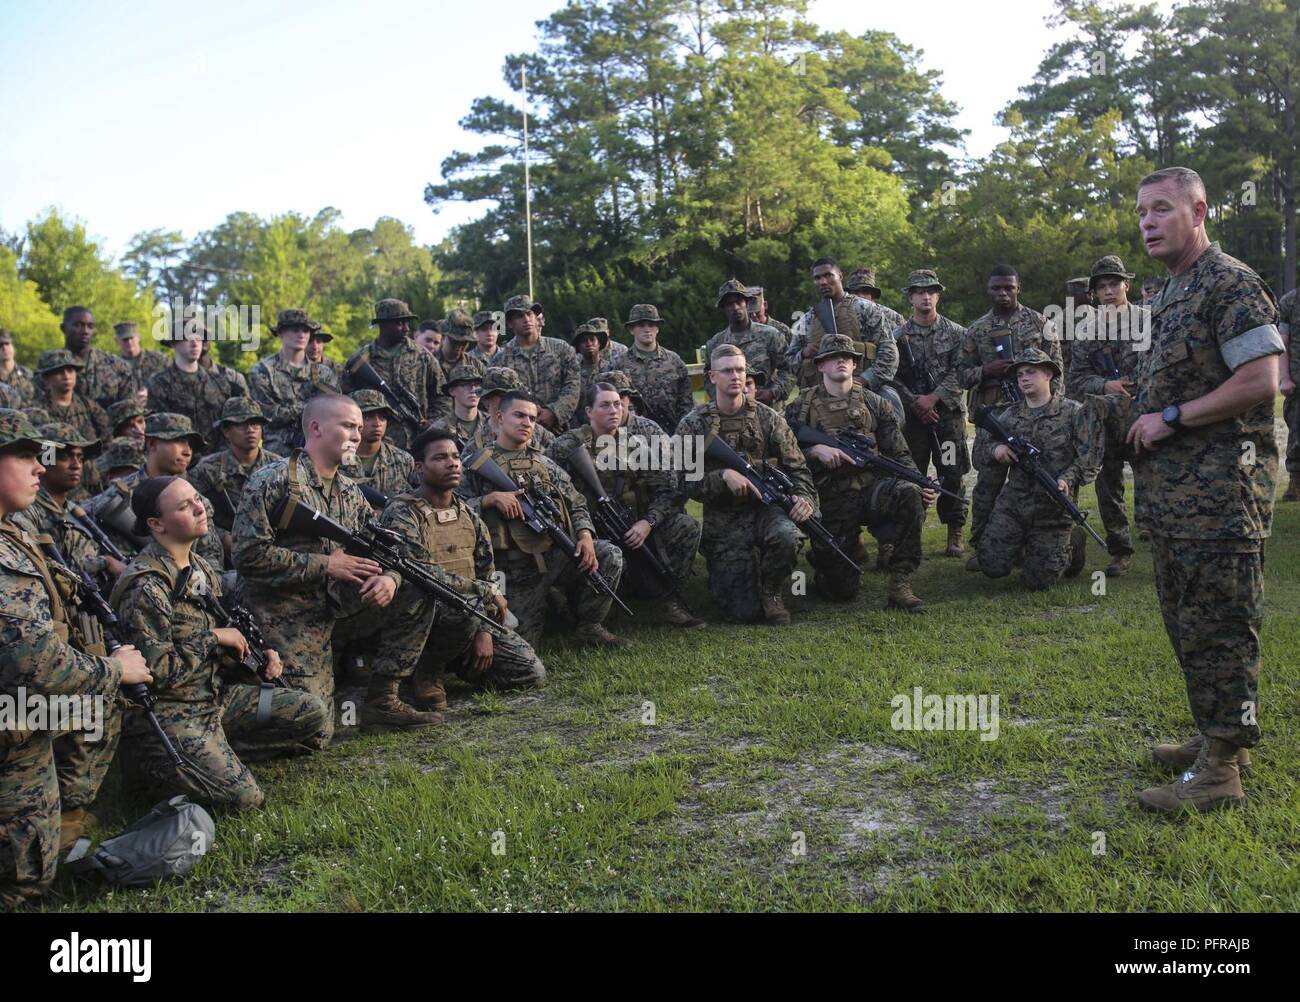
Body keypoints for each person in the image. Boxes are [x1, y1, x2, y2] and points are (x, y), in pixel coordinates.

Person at [1126, 166, 1284, 813]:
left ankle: (1221, 775)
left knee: (1220, 624)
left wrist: (1170, 418)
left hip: (1223, 494)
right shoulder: (1172, 292)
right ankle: (1217, 738)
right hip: (1178, 499)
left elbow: (1262, 379)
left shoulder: (1230, 283)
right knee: (1188, 622)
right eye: (1141, 213)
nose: (1148, 223)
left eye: (1162, 209)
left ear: (1199, 210)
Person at [0, 409, 151, 910]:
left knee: (100, 706)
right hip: (15, 717)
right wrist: (113, 670)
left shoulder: (13, 529)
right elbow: (34, 667)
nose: (40, 466)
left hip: (21, 711)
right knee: (25, 885)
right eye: (24, 455)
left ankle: (63, 818)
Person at [110, 476, 327, 809]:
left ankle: (213, 755)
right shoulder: (146, 586)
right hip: (171, 713)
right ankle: (159, 767)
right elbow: (155, 672)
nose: (200, 508)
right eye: (185, 506)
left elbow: (225, 645)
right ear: (156, 524)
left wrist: (256, 657)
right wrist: (213, 638)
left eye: (197, 498)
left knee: (312, 717)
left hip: (215, 699)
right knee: (245, 799)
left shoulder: (200, 569)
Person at [232, 394, 440, 739]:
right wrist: (326, 564)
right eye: (348, 426)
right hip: (285, 617)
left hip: (337, 607)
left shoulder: (349, 491)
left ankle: (381, 698)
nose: (358, 435)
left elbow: (378, 552)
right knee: (315, 730)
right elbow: (247, 556)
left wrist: (389, 577)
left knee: (418, 587)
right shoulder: (273, 481)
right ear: (315, 428)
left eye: (359, 427)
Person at [382, 426, 546, 710]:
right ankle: (425, 669)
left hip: (468, 612)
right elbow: (422, 574)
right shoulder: (402, 513)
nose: (453, 463)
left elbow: (486, 572)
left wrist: (484, 629)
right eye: (440, 458)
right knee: (462, 607)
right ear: (419, 468)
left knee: (529, 672)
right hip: (420, 617)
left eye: (456, 457)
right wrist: (483, 596)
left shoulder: (468, 514)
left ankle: (458, 661)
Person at [456, 389, 628, 649]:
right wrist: (488, 500)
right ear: (500, 417)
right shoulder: (476, 464)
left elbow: (577, 503)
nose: (527, 423)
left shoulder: (544, 464)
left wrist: (584, 536)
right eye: (519, 415)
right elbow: (452, 509)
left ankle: (589, 627)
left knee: (609, 555)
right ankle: (550, 606)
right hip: (512, 571)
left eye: (533, 418)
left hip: (553, 555)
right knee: (520, 646)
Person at [675, 344, 817, 624]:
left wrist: (803, 497)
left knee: (788, 536)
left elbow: (797, 466)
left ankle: (772, 591)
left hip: (766, 510)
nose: (736, 376)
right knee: (743, 613)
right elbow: (681, 481)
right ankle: (739, 572)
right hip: (725, 518)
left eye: (740, 369)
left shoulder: (767, 417)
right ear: (712, 377)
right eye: (727, 370)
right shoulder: (693, 425)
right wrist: (721, 478)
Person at [789, 335, 932, 610]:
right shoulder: (800, 408)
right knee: (839, 591)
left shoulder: (875, 403)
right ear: (820, 366)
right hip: (827, 497)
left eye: (847, 357)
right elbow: (783, 458)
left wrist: (921, 482)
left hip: (871, 490)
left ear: (855, 365)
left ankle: (900, 581)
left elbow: (899, 454)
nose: (841, 360)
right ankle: (831, 554)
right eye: (833, 356)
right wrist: (815, 451)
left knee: (911, 494)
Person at [549, 383, 704, 628]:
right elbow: (549, 492)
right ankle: (576, 606)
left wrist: (648, 522)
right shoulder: (566, 446)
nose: (614, 410)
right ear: (589, 411)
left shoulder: (634, 445)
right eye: (605, 405)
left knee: (686, 526)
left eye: (617, 404)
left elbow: (668, 489)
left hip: (631, 527)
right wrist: (582, 529)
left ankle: (668, 600)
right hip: (587, 532)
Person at [958, 264, 1063, 567]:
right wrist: (984, 371)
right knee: (988, 482)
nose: (1003, 293)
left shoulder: (1041, 323)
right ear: (988, 290)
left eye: (1009, 287)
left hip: (1034, 415)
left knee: (1036, 477)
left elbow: (1057, 369)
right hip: (993, 416)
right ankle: (982, 545)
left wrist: (1054, 411)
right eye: (996, 288)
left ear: (1018, 288)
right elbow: (961, 376)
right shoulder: (977, 330)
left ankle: (1040, 540)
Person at [976, 349, 1100, 589]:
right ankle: (1026, 546)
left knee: (1037, 582)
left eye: (1030, 372)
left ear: (1049, 374)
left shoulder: (1074, 412)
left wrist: (1066, 479)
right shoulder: (1009, 415)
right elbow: (980, 449)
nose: (1023, 378)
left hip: (1053, 510)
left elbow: (1090, 460)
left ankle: (1072, 545)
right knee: (991, 566)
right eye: (1020, 374)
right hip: (1013, 506)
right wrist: (996, 451)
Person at [1065, 255, 1150, 576]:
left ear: (1126, 285)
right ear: (1094, 293)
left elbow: (1167, 368)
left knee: (1153, 480)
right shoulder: (1087, 331)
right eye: (1102, 286)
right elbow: (1074, 381)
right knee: (1108, 485)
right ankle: (1120, 551)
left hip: (1146, 416)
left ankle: (1163, 539)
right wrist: (1106, 383)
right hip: (1107, 422)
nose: (1109, 290)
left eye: (1114, 283)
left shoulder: (1149, 322)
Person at [891, 269, 969, 558]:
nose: (926, 296)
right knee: (914, 474)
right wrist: (916, 403)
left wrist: (933, 398)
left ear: (937, 295)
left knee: (951, 472)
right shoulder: (897, 337)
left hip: (947, 418)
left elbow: (960, 372)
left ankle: (955, 529)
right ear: (910, 296)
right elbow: (892, 377)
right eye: (919, 291)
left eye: (931, 291)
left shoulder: (957, 333)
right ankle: (912, 531)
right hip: (915, 422)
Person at [84, 413, 225, 570]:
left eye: (190, 445)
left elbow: (211, 559)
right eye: (178, 441)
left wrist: (193, 588)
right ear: (151, 444)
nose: (187, 451)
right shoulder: (117, 498)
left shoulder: (196, 499)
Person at [786, 260, 901, 413]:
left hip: (865, 392)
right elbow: (788, 363)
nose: (823, 282)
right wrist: (803, 354)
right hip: (819, 398)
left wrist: (865, 380)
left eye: (828, 275)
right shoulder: (806, 320)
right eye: (817, 278)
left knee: (893, 411)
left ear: (840, 276)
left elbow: (889, 352)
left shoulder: (867, 310)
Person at [12, 423, 122, 583]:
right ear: (45, 460)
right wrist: (105, 562)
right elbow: (41, 566)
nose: (76, 465)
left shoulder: (76, 510)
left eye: (80, 458)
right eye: (65, 457)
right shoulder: (27, 512)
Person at [342, 299, 447, 449]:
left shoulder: (422, 356)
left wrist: (433, 422)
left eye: (407, 323)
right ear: (383, 325)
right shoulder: (361, 360)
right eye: (399, 323)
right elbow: (346, 400)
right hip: (375, 445)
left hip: (418, 441)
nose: (406, 329)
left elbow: (442, 396)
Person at [186, 397, 282, 544]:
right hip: (224, 549)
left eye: (255, 424)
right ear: (226, 431)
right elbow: (193, 516)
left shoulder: (279, 467)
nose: (250, 430)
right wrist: (224, 538)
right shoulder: (206, 470)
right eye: (241, 425)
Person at [250, 309, 342, 455]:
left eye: (306, 330)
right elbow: (268, 415)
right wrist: (310, 407)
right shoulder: (263, 370)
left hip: (317, 448)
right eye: (295, 329)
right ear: (280, 333)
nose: (301, 335)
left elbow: (333, 412)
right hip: (277, 453)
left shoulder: (323, 373)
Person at [148, 322, 241, 454]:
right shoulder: (160, 382)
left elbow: (228, 426)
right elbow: (158, 429)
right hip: (177, 460)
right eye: (188, 338)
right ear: (174, 343)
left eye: (199, 339)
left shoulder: (219, 382)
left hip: (217, 461)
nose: (195, 343)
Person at [495, 295, 582, 433]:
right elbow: (495, 400)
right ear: (510, 323)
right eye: (519, 316)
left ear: (536, 317)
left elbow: (573, 386)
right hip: (518, 433)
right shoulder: (500, 361)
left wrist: (554, 412)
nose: (526, 319)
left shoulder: (561, 349)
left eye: (529, 314)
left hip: (561, 430)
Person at [704, 279, 795, 407]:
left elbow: (790, 368)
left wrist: (773, 392)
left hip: (768, 409)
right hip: (731, 412)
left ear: (746, 304)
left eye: (738, 302)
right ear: (723, 308)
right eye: (730, 304)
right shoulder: (715, 344)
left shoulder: (770, 335)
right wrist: (726, 398)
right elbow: (709, 378)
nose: (735, 307)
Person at [619, 304, 695, 434]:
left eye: (651, 324)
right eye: (641, 325)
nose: (647, 329)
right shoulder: (620, 364)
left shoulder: (674, 361)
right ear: (631, 329)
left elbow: (686, 400)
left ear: (657, 329)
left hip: (674, 431)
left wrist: (682, 431)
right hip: (637, 436)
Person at [51, 306, 133, 412]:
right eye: (78, 325)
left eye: (90, 326)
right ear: (63, 328)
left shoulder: (117, 366)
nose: (85, 331)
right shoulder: (52, 367)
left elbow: (129, 410)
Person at [340, 390, 416, 499]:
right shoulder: (337, 458)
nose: (377, 423)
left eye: (382, 417)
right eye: (368, 417)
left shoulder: (404, 461)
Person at [33, 350, 109, 442]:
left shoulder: (89, 407)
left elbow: (107, 439)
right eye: (59, 372)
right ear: (47, 378)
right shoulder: (37, 410)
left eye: (70, 371)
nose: (66, 376)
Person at [571, 318, 627, 425]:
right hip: (579, 427)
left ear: (599, 344)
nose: (589, 343)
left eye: (592, 340)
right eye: (584, 341)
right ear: (578, 347)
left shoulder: (613, 369)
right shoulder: (572, 372)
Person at [1277, 287, 1299, 501]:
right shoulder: (1290, 302)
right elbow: (1283, 342)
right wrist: (1284, 378)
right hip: (1297, 379)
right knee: (1297, 431)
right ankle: (1296, 481)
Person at [113, 321, 167, 399]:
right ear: (117, 341)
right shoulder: (114, 367)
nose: (129, 342)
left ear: (138, 337)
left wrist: (151, 392)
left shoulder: (158, 360)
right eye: (125, 339)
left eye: (131, 338)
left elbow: (172, 384)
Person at [433, 365, 484, 444]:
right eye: (465, 384)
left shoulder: (493, 423)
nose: (473, 389)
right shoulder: (439, 429)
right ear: (451, 391)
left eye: (477, 384)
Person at [434, 308, 485, 384]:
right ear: (443, 337)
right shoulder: (430, 363)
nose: (459, 347)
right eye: (454, 342)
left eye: (464, 343)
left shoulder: (475, 365)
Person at [0, 329, 35, 407]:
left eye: (7, 344)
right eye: (0, 345)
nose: (4, 348)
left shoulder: (28, 375)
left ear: (13, 347)